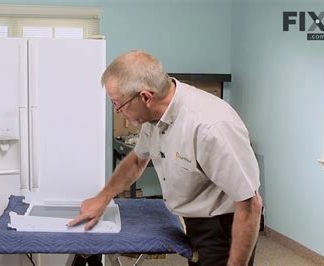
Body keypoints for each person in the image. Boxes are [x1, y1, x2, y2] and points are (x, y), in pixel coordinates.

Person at [68, 50, 263, 266]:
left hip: (225, 228)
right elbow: (136, 160)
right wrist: (102, 198)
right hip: (193, 221)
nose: (117, 111)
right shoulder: (154, 117)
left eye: (118, 104)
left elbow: (250, 204)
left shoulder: (210, 127)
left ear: (145, 97)